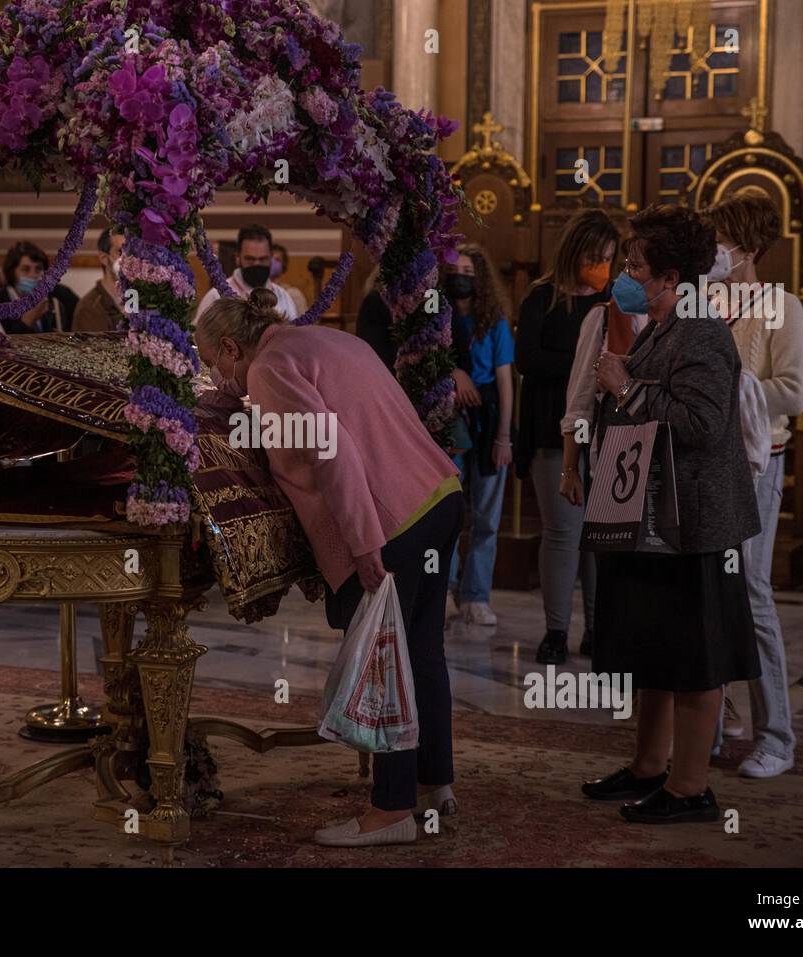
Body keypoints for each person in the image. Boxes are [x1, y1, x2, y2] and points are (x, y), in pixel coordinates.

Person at [196, 288, 463, 848]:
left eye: (212, 365)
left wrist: (366, 545)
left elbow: (331, 450)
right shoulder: (327, 339)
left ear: (229, 347)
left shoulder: (269, 368)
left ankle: (391, 809)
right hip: (438, 494)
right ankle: (432, 782)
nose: (217, 379)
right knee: (421, 649)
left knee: (386, 658)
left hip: (391, 520)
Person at [582, 203, 761, 824]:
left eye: (635, 265)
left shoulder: (703, 332)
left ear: (669, 276)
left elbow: (703, 425)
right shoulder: (661, 328)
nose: (625, 273)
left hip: (695, 524)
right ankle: (648, 766)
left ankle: (691, 789)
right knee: (654, 648)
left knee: (693, 654)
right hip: (652, 520)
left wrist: (625, 389)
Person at [699, 194, 803, 777]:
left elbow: (793, 392)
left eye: (724, 239)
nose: (715, 248)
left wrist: (731, 390)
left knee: (752, 592)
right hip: (706, 464)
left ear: (748, 248)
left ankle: (776, 738)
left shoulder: (780, 306)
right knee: (710, 593)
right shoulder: (705, 300)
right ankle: (708, 731)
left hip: (758, 463)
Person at [514, 209, 617, 663]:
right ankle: (556, 630)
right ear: (575, 252)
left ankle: (598, 628)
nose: (601, 266)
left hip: (605, 431)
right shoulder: (543, 297)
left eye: (610, 258)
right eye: (594, 256)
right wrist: (585, 370)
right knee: (562, 531)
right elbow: (527, 359)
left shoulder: (614, 300)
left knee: (600, 536)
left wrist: (592, 371)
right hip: (551, 427)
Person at [558, 286, 650, 654]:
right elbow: (581, 400)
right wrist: (570, 467)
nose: (629, 275)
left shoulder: (684, 320)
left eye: (638, 265)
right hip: (616, 459)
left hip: (664, 463)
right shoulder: (603, 317)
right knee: (615, 569)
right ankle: (615, 657)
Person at [443, 244, 515, 625]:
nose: (462, 278)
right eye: (456, 270)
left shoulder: (495, 320)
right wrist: (455, 373)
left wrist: (504, 436)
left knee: (487, 514)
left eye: (470, 272)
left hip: (488, 422)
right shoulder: (436, 315)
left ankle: (476, 595)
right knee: (450, 512)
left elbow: (505, 381)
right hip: (450, 419)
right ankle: (443, 588)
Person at [194, 224, 299, 324]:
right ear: (238, 258)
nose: (257, 264)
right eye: (250, 259)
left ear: (271, 257)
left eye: (262, 259)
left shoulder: (284, 297)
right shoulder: (216, 297)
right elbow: (197, 338)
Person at [0, 240, 79, 334]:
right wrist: (28, 321)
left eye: (38, 269)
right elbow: (1, 346)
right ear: (11, 273)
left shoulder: (56, 298)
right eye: (25, 269)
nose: (33, 275)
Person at [74, 227, 126, 332]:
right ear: (104, 259)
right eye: (121, 252)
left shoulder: (138, 298)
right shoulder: (90, 308)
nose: (129, 258)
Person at [271, 242, 308, 315]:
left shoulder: (293, 294)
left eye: (277, 260)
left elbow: (304, 323)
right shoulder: (254, 292)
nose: (272, 262)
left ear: (283, 265)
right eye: (270, 258)